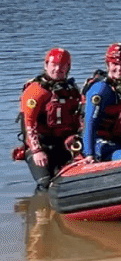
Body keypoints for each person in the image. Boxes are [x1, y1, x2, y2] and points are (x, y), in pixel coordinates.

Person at [17, 48, 83, 186]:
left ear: (68, 68)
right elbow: (28, 123)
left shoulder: (72, 91)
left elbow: (80, 118)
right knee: (45, 182)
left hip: (64, 143)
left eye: (62, 65)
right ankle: (41, 204)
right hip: (42, 144)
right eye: (54, 65)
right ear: (46, 65)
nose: (57, 69)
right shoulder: (36, 91)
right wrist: (37, 150)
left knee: (74, 177)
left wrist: (78, 141)